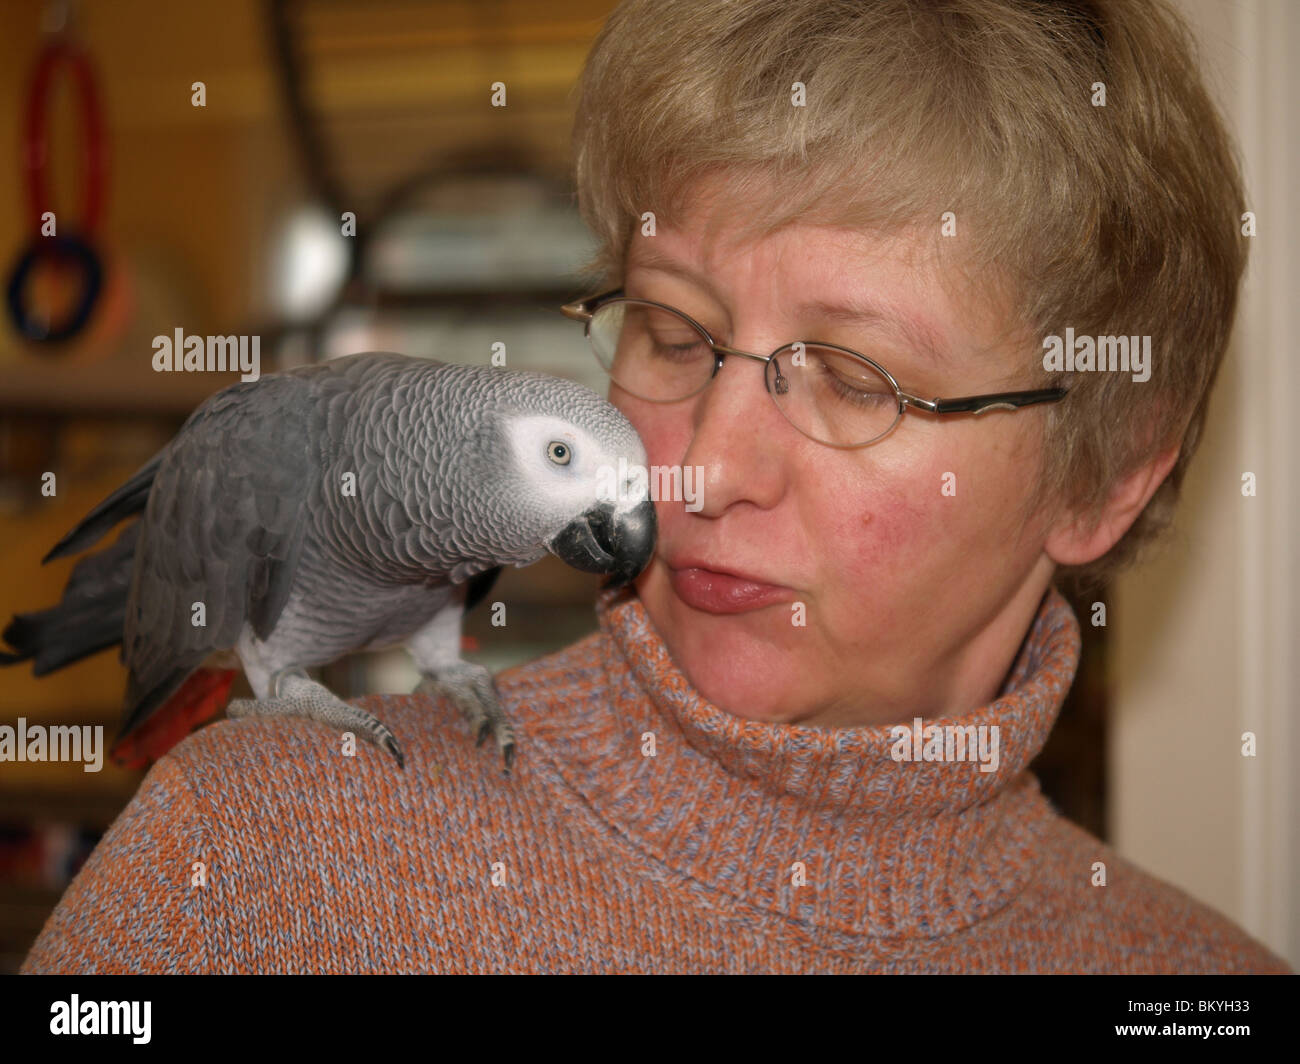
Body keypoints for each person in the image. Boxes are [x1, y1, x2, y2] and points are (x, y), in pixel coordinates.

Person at [22, 0, 1290, 973]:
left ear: (1111, 475)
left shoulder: (1196, 980)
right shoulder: (255, 860)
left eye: (854, 376)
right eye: (674, 335)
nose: (701, 465)